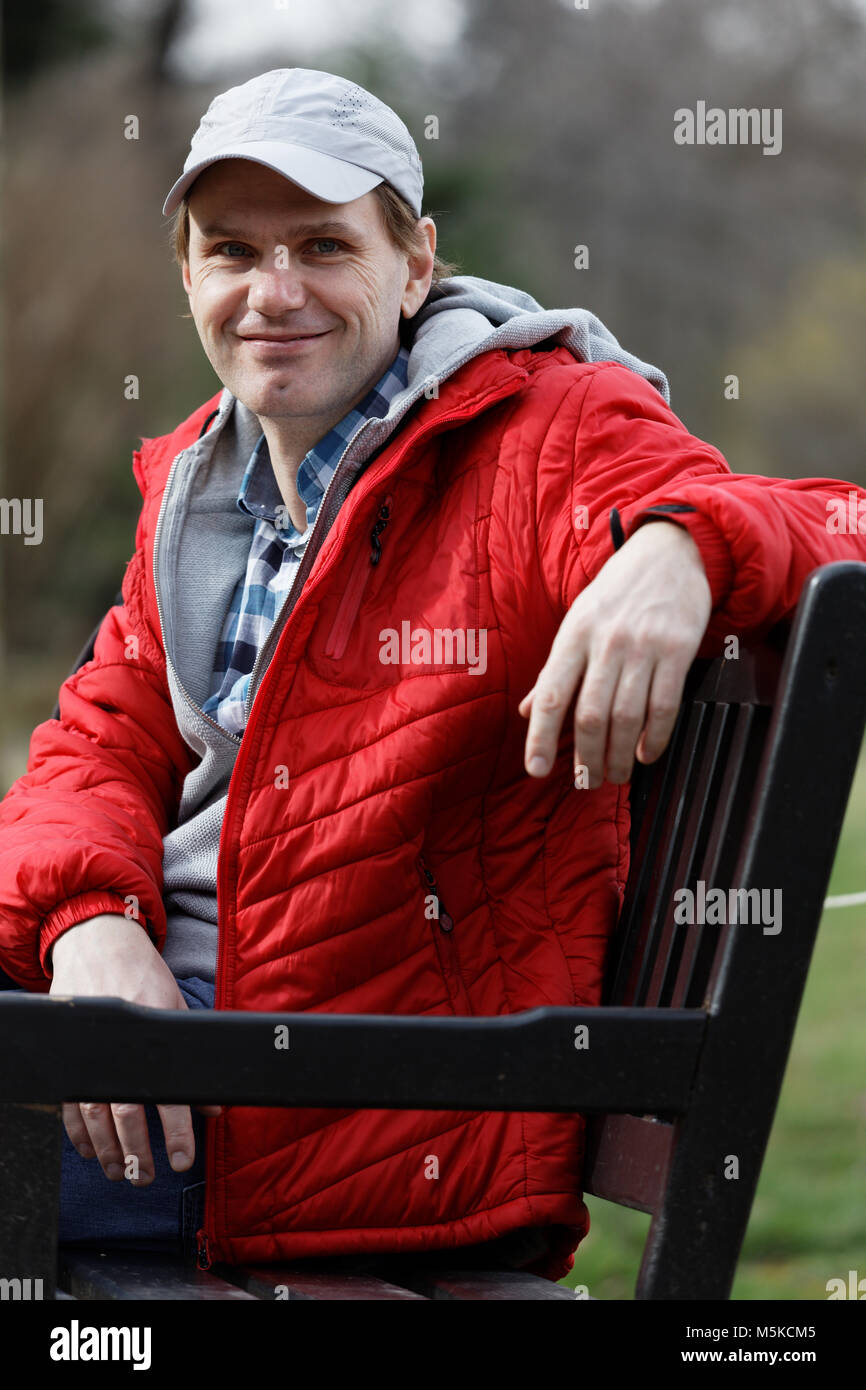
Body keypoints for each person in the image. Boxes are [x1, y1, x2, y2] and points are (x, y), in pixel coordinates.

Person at [1, 66, 864, 1284]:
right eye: (232, 249)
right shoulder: (202, 488)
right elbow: (94, 743)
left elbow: (841, 519)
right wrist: (91, 920)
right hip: (147, 1037)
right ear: (187, 275)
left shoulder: (542, 431)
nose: (274, 291)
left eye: (323, 245)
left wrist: (683, 545)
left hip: (328, 1109)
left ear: (413, 266)